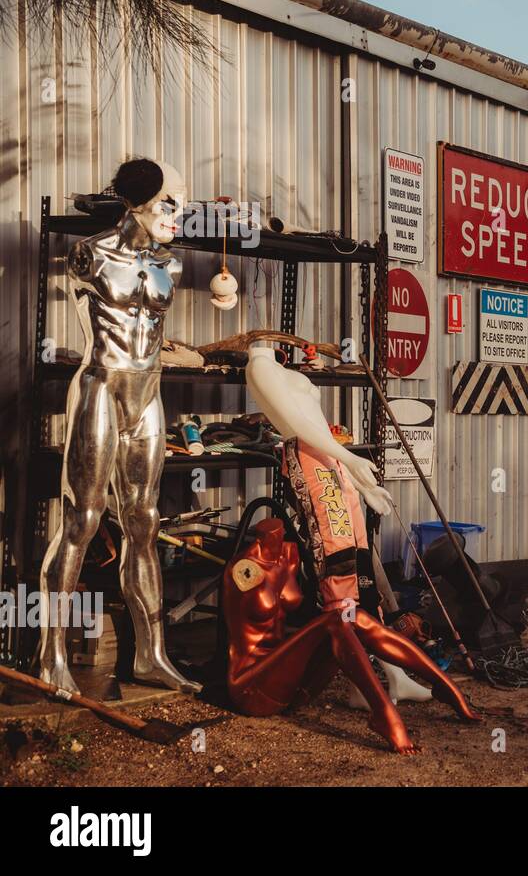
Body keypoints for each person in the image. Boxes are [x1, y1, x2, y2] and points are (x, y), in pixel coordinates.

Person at [38, 159, 199, 694]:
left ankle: (152, 655)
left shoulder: (170, 264)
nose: (179, 214)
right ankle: (52, 656)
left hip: (148, 393)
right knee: (82, 520)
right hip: (102, 388)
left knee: (145, 523)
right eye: (170, 203)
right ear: (140, 200)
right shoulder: (89, 254)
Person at [223, 516, 479, 753]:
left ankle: (445, 686)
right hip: (253, 688)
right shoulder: (243, 568)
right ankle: (384, 714)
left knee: (354, 615)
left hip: (293, 688)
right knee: (336, 620)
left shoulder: (288, 556)